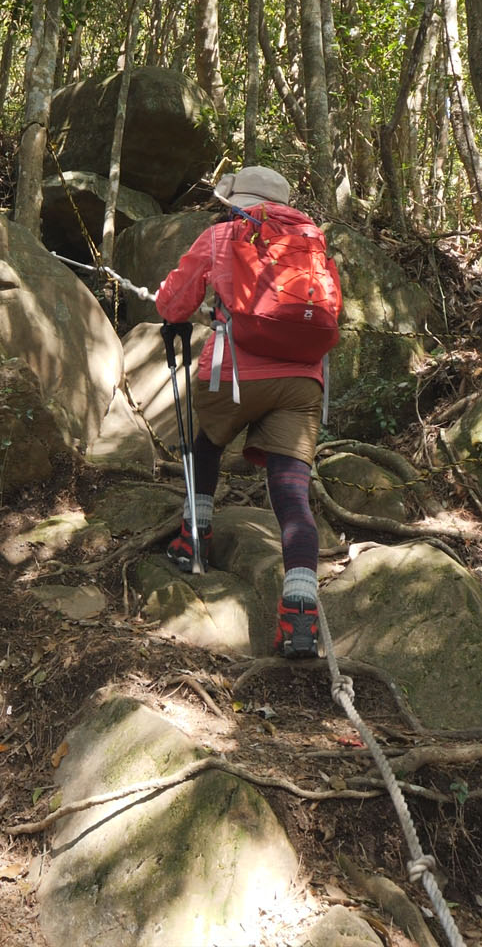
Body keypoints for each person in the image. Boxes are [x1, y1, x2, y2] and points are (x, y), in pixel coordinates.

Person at [154, 166, 333, 659]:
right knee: (292, 494)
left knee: (206, 440)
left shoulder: (223, 235)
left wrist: (173, 306)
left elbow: (173, 304)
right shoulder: (313, 244)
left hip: (232, 373)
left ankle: (196, 536)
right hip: (301, 380)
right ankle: (299, 610)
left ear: (238, 203)